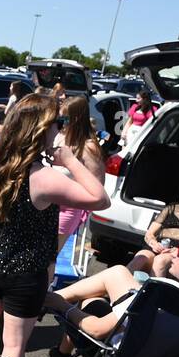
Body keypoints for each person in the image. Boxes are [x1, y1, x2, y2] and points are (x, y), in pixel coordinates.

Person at [0, 94, 111, 357]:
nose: (60, 129)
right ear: (41, 130)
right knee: (13, 345)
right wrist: (69, 160)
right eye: (57, 123)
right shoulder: (42, 177)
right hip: (24, 272)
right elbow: (101, 199)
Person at [43, 226, 179, 357]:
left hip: (121, 353)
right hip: (164, 356)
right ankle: (48, 304)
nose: (174, 253)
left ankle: (47, 300)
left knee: (91, 300)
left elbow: (96, 330)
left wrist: (62, 306)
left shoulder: (158, 295)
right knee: (118, 273)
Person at [50, 95, 106, 276]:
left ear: (76, 118)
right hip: (44, 205)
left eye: (64, 118)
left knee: (48, 257)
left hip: (67, 210)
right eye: (60, 117)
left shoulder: (88, 146)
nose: (61, 121)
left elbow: (97, 185)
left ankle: (41, 294)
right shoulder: (58, 136)